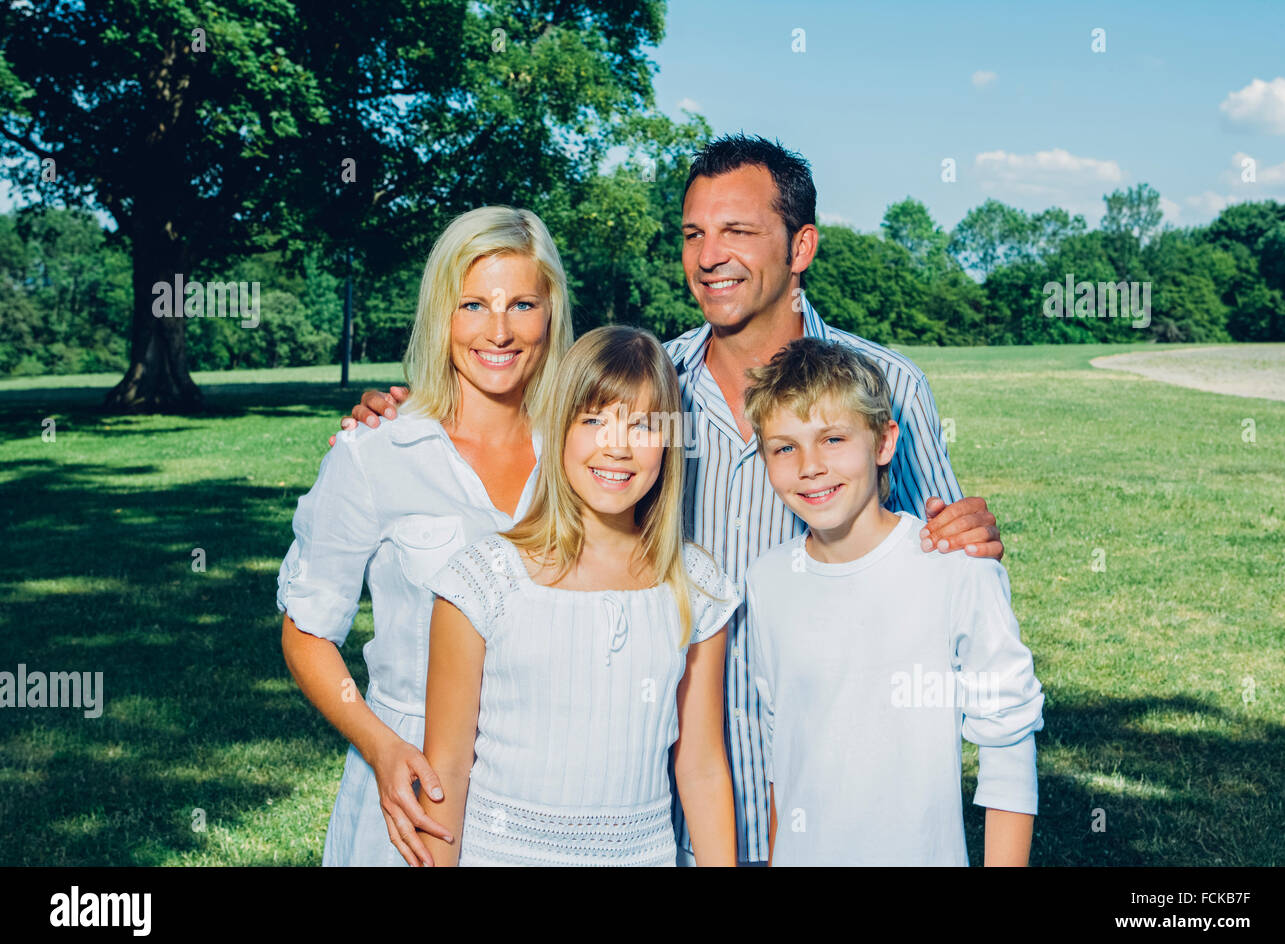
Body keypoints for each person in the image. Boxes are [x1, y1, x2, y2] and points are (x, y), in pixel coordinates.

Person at [343, 134, 1006, 864]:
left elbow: (947, 568)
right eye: (694, 234)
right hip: (664, 817)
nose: (709, 254)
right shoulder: (656, 387)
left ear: (802, 246)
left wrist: (964, 534)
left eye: (738, 232)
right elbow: (532, 407)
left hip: (830, 801)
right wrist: (410, 413)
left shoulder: (888, 387)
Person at [277, 206, 573, 866]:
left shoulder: (585, 452)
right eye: (473, 304)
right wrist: (381, 747)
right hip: (414, 783)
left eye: (522, 303)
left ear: (551, 312)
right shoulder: (374, 452)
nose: (498, 330)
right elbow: (306, 631)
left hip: (549, 782)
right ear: (442, 313)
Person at [418, 325, 740, 866]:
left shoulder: (696, 585)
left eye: (641, 425)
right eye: (593, 420)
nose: (617, 445)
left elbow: (702, 765)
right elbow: (445, 769)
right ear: (558, 429)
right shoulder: (483, 579)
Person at [743, 338, 1044, 865]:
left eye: (833, 438)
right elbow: (781, 751)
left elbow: (1009, 740)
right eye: (784, 447)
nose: (810, 466)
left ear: (884, 443)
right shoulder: (767, 582)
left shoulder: (955, 567)